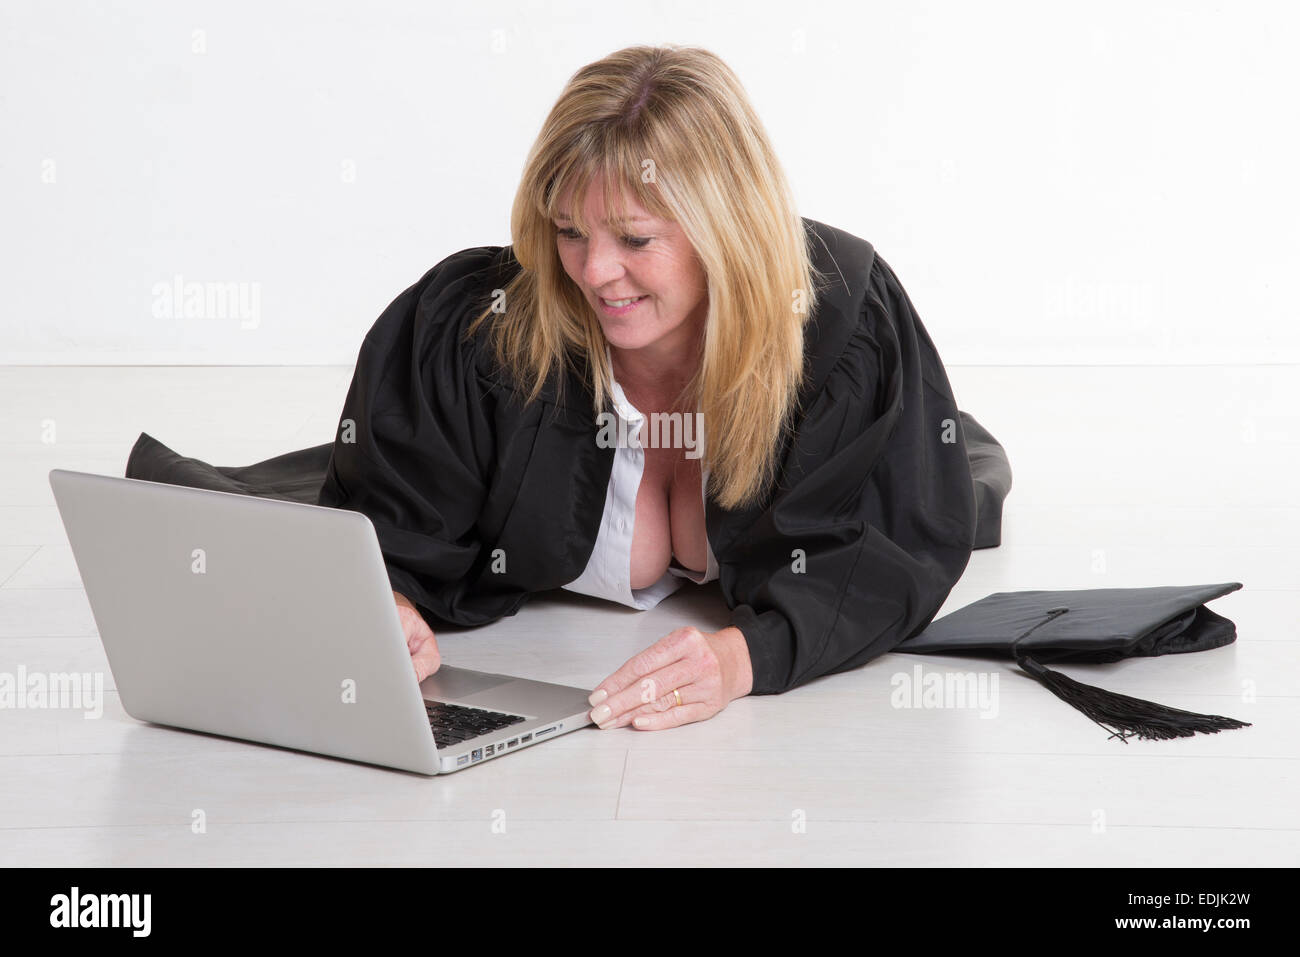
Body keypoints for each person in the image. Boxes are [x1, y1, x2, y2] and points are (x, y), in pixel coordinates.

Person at [125, 44, 1010, 734]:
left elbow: (885, 559)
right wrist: (386, 606)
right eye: (568, 231)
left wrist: (743, 659)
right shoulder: (478, 335)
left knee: (944, 476)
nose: (593, 272)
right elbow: (400, 526)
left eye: (635, 239)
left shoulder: (840, 330)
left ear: (727, 230)